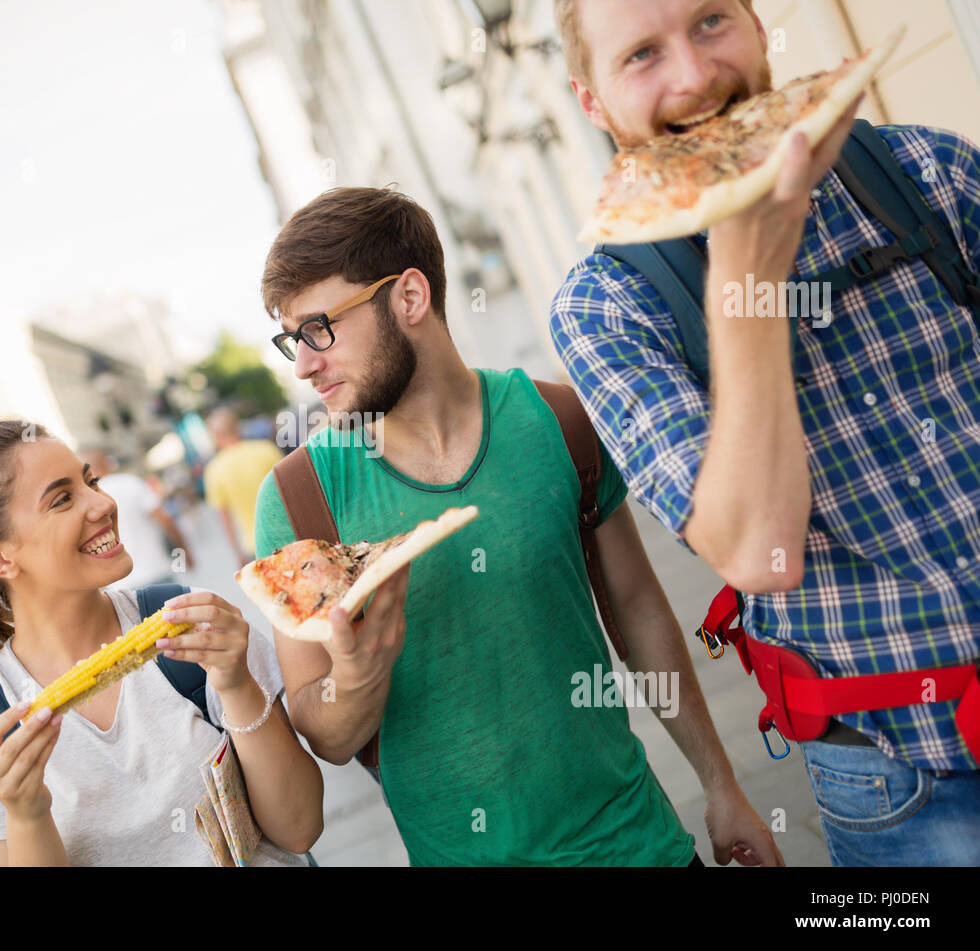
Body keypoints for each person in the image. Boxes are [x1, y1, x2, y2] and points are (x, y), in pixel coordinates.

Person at [547, 0, 980, 865]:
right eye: (641, 55)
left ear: (755, 22)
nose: (696, 76)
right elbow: (759, 553)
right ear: (591, 101)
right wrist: (748, 278)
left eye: (712, 22)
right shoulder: (605, 308)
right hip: (905, 783)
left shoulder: (929, 171)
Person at [254, 185, 780, 866]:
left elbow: (640, 611)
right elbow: (323, 732)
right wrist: (358, 674)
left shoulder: (557, 422)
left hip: (638, 844)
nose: (303, 363)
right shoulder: (299, 499)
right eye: (292, 338)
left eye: (319, 328)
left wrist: (721, 784)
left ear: (410, 297)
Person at [0, 420, 323, 865]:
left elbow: (299, 829)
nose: (103, 504)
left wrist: (239, 684)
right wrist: (27, 814)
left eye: (92, 482)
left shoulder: (192, 624)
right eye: (62, 498)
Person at [79, 447, 194, 588]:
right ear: (107, 462)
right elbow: (166, 520)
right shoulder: (130, 482)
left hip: (122, 586)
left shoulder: (88, 500)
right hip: (156, 571)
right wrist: (184, 552)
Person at [203, 408, 284, 568]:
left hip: (255, 545)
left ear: (216, 435)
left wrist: (237, 553)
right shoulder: (266, 449)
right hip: (288, 533)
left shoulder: (214, 470)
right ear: (237, 428)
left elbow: (225, 519)